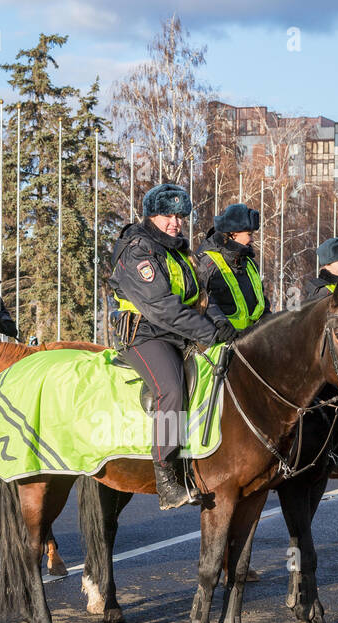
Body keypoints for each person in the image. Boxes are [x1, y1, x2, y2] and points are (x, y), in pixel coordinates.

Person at [109, 183, 237, 510]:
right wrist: (207, 333)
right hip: (143, 334)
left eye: (180, 216)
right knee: (171, 388)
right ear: (152, 215)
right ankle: (166, 476)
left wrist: (223, 326)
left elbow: (201, 296)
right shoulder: (138, 250)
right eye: (168, 215)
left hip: (176, 332)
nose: (175, 222)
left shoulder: (179, 250)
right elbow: (162, 307)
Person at [196, 203, 265, 339]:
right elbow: (198, 301)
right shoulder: (207, 263)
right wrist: (219, 324)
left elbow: (261, 300)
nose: (252, 239)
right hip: (218, 345)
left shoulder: (249, 263)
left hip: (250, 342)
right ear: (232, 234)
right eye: (249, 234)